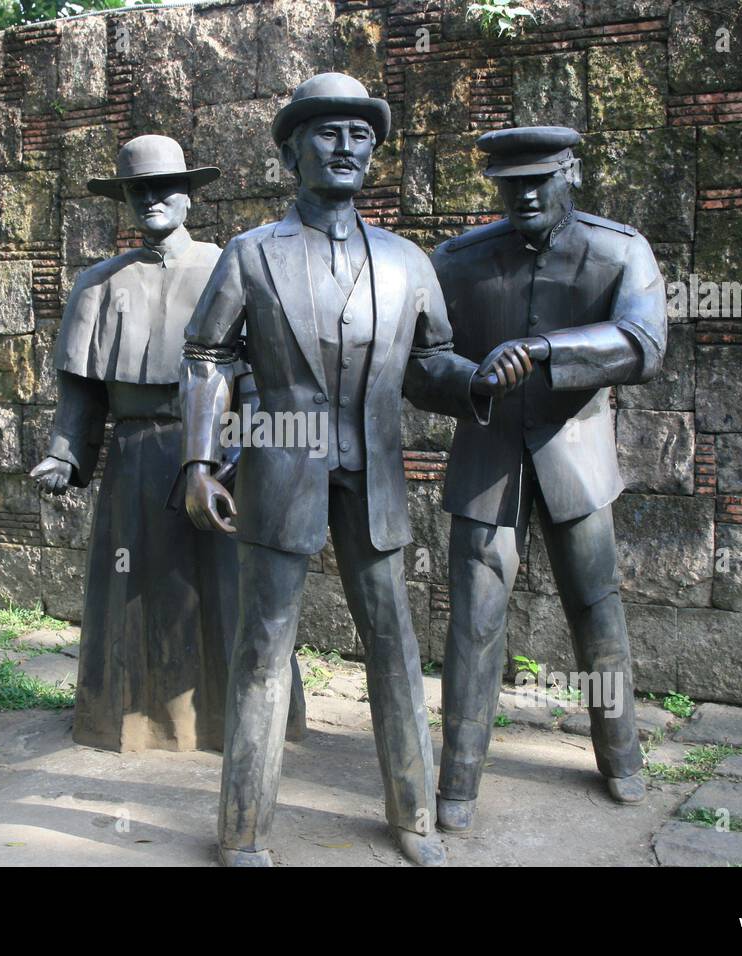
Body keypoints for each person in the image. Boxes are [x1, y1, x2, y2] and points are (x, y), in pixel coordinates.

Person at [179, 74, 498, 866]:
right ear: (292, 150)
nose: (348, 146)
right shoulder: (250, 255)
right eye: (328, 132)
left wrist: (478, 381)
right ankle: (244, 830)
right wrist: (200, 459)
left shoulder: (405, 261)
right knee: (263, 650)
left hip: (375, 477)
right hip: (282, 473)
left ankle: (414, 817)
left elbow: (429, 365)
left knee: (393, 644)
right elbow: (207, 356)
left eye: (361, 134)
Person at [31, 134, 305, 752]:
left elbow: (260, 375)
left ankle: (238, 721)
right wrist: (64, 451)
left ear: (187, 195)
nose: (151, 199)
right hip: (134, 460)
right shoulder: (99, 284)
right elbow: (83, 390)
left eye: (163, 187)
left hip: (219, 453)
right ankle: (133, 722)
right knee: (135, 591)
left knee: (228, 587)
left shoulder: (228, 268)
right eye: (138, 190)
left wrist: (244, 454)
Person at [429, 126, 668, 831]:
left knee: (598, 611)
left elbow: (644, 343)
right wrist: (472, 379)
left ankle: (621, 757)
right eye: (510, 183)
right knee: (473, 620)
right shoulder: (459, 262)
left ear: (571, 174)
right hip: (487, 458)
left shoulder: (618, 250)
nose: (525, 194)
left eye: (540, 178)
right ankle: (458, 781)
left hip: (578, 462)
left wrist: (543, 350)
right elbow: (421, 359)